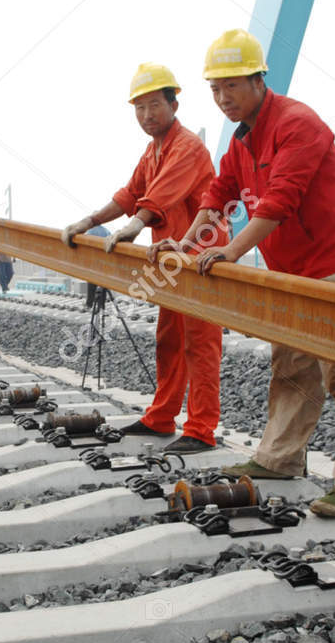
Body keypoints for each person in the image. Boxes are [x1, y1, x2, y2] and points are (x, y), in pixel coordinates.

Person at [150, 30, 335, 518]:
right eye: (214, 88)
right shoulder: (243, 138)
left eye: (231, 86)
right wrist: (187, 244)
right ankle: (280, 459)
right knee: (291, 369)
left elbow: (278, 203)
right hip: (290, 275)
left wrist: (229, 250)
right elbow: (220, 192)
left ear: (258, 80)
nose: (222, 98)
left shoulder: (300, 125)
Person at [63, 63, 220, 454]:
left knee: (200, 345)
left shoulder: (187, 147)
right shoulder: (153, 151)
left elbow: (157, 197)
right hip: (169, 262)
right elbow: (131, 192)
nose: (147, 116)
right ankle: (161, 417)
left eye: (154, 105)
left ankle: (201, 429)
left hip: (201, 260)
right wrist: (92, 220)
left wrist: (134, 226)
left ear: (174, 103)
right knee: (169, 341)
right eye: (139, 108)